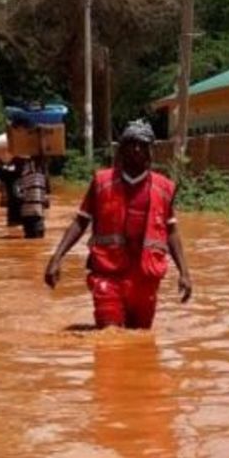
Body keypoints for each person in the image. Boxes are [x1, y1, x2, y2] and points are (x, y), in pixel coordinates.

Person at [44, 119, 193, 329]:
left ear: (151, 150)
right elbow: (80, 221)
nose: (136, 149)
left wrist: (184, 273)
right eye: (131, 143)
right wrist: (56, 258)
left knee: (140, 336)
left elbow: (171, 231)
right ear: (121, 149)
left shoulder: (164, 188)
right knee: (110, 337)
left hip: (145, 278)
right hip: (108, 272)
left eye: (142, 144)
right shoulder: (101, 182)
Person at [17, 155, 51, 239]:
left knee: (30, 238)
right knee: (37, 238)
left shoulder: (24, 176)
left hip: (27, 213)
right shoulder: (39, 176)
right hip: (36, 213)